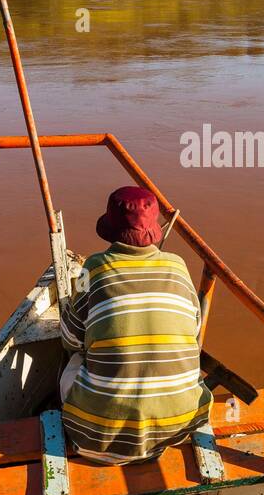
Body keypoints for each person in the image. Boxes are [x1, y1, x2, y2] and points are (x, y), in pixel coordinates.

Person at [58, 186, 212, 464]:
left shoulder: (91, 267)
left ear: (110, 229)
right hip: (177, 427)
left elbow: (71, 339)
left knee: (75, 360)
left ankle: (91, 416)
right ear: (154, 228)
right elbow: (195, 326)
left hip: (95, 436)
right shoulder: (178, 266)